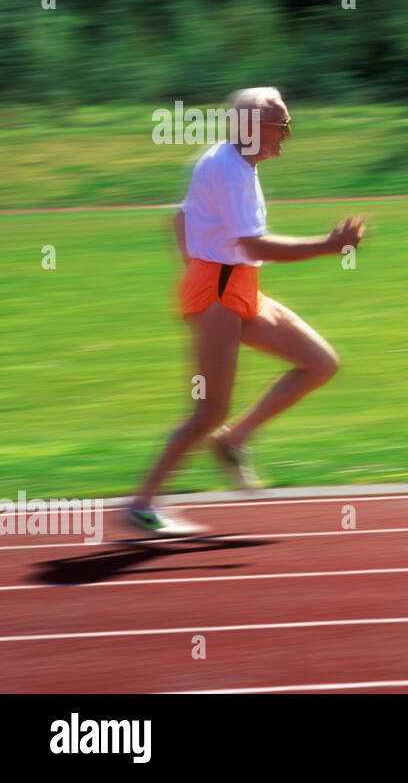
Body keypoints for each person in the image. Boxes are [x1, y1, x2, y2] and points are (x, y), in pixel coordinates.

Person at [126, 87, 366, 537]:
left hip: (235, 286)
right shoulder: (229, 169)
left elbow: (179, 217)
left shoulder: (233, 163)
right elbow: (254, 245)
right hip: (219, 292)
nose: (288, 135)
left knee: (319, 363)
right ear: (254, 128)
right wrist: (329, 245)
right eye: (282, 126)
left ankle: (233, 441)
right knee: (208, 410)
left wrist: (198, 262)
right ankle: (141, 505)